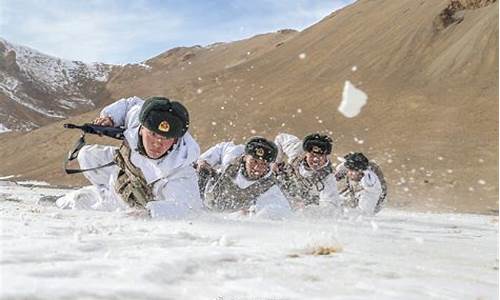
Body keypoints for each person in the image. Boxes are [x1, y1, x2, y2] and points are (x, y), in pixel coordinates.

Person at [56, 96, 202, 218]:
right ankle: (84, 196)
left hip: (134, 205)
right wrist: (110, 118)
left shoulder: (181, 168)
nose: (158, 143)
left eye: (166, 138)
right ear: (142, 128)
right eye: (153, 134)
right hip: (120, 177)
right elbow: (129, 104)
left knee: (83, 203)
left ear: (176, 139)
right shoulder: (136, 117)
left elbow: (188, 208)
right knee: (87, 155)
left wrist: (151, 213)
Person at [195, 137, 291, 218]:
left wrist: (255, 212)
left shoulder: (270, 187)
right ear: (245, 158)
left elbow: (282, 211)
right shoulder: (232, 157)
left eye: (263, 164)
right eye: (254, 161)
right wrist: (205, 160)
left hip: (230, 220)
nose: (257, 168)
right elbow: (221, 148)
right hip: (206, 201)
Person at [273, 133, 342, 210]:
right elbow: (280, 138)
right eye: (312, 155)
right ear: (306, 153)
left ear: (326, 156)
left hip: (305, 205)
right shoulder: (296, 150)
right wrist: (276, 162)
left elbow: (330, 206)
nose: (316, 160)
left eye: (320, 156)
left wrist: (307, 210)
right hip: (282, 189)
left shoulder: (328, 178)